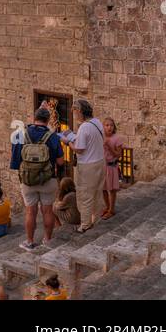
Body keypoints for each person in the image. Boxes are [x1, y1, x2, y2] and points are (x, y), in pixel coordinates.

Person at [11, 107, 65, 251]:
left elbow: (15, 162)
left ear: (34, 118)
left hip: (27, 180)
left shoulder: (20, 134)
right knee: (47, 211)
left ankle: (29, 241)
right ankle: (47, 240)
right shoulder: (52, 137)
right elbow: (60, 162)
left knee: (30, 211)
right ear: (48, 120)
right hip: (48, 179)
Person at [64, 99, 106, 233]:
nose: (74, 114)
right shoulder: (97, 122)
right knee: (97, 193)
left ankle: (85, 224)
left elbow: (79, 149)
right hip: (100, 161)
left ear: (80, 111)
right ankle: (96, 219)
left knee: (84, 195)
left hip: (88, 166)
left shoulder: (84, 127)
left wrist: (67, 142)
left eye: (74, 111)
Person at [101, 117, 124, 219]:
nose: (109, 127)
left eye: (111, 125)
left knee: (112, 190)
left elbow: (118, 155)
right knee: (103, 189)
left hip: (112, 167)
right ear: (103, 127)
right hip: (102, 167)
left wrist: (109, 146)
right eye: (107, 125)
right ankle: (107, 207)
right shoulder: (101, 137)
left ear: (114, 127)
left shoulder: (117, 138)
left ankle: (112, 209)